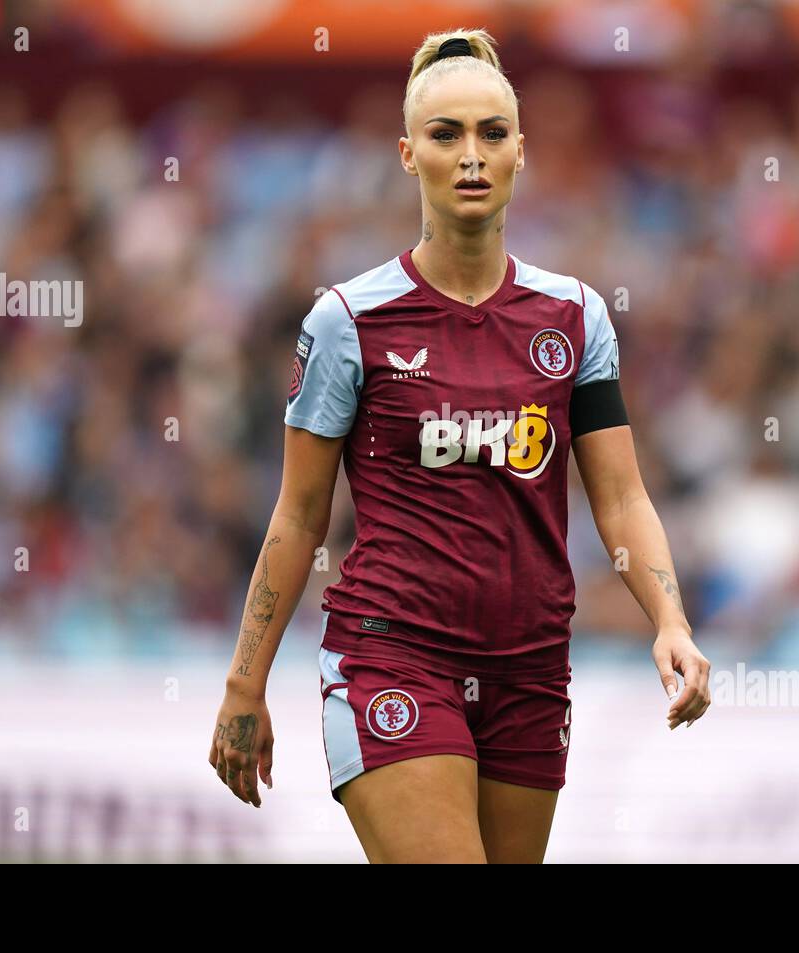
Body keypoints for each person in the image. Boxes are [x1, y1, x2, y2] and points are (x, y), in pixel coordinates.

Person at [209, 27, 710, 863]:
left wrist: (671, 619)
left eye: (492, 133)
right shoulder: (348, 322)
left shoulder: (576, 318)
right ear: (408, 155)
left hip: (531, 668)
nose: (471, 155)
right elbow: (299, 516)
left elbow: (620, 497)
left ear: (522, 152)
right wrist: (243, 682)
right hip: (393, 652)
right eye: (446, 135)